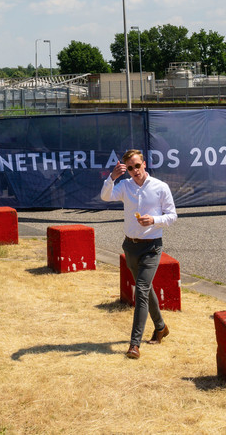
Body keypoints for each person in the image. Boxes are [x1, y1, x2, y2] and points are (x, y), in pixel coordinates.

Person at [100, 149, 177, 359]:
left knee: (141, 291)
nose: (135, 170)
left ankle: (134, 344)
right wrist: (112, 177)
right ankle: (160, 326)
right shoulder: (125, 186)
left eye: (137, 165)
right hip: (130, 246)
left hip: (152, 247)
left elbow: (172, 216)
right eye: (130, 168)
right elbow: (105, 196)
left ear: (144, 164)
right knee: (146, 289)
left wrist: (154, 220)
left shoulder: (161, 187)